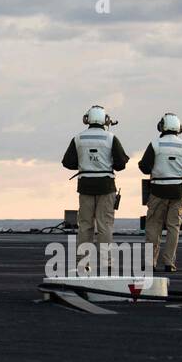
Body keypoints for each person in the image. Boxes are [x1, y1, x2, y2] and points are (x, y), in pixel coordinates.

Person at [61, 105, 129, 273]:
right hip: (106, 185)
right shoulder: (111, 138)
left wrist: (85, 163)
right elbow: (121, 164)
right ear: (105, 120)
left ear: (87, 120)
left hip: (85, 185)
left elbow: (67, 162)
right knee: (105, 225)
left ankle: (82, 263)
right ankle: (107, 263)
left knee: (85, 225)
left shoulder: (78, 138)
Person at [137, 112, 182, 273]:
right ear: (179, 128)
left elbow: (144, 167)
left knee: (153, 226)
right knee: (174, 227)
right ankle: (169, 263)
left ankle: (150, 262)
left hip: (158, 190)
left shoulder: (155, 144)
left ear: (162, 126)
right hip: (178, 191)